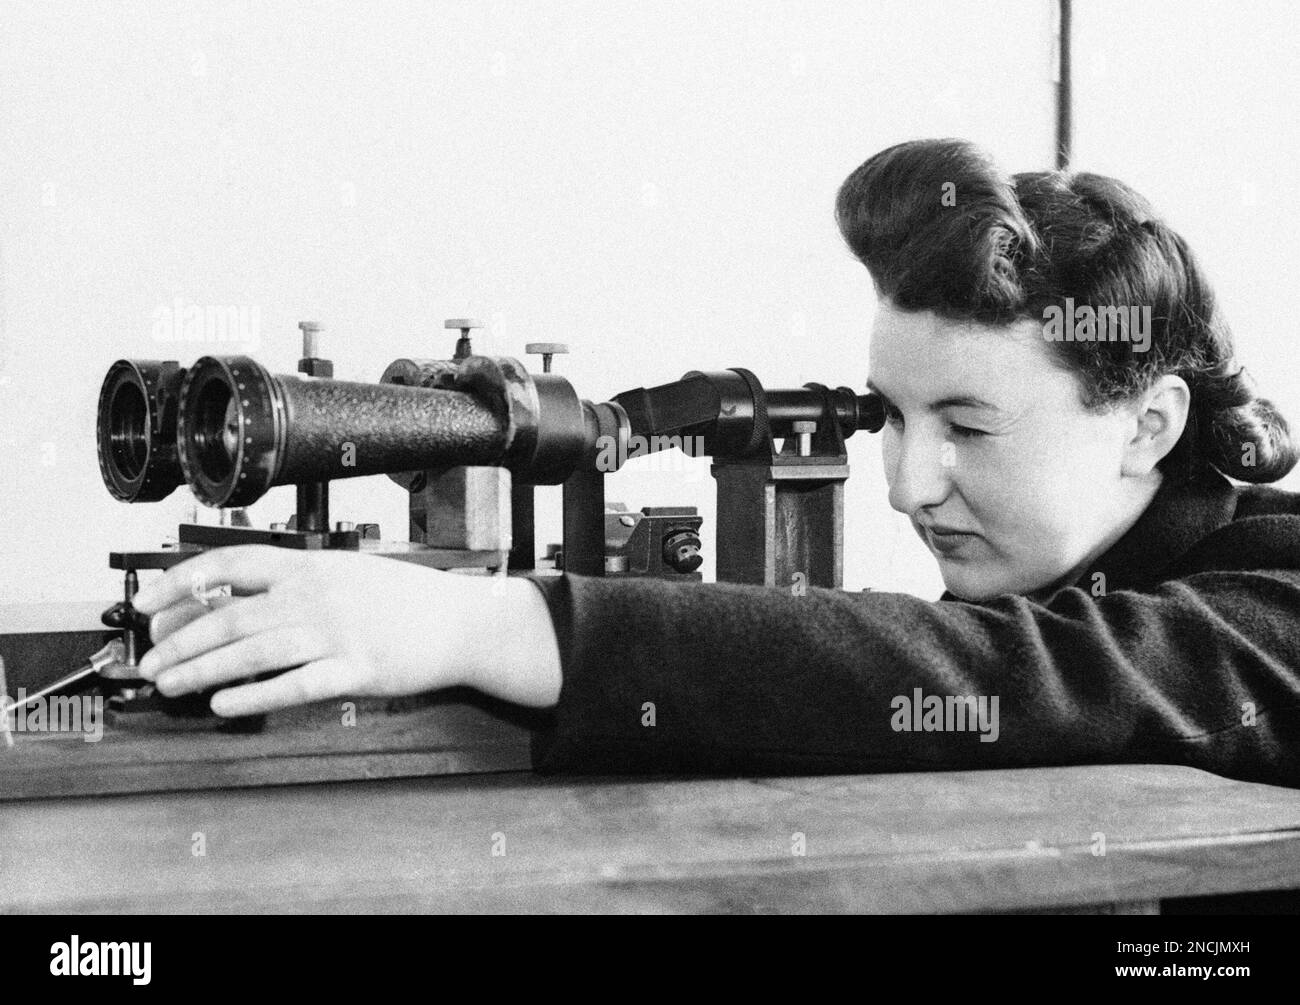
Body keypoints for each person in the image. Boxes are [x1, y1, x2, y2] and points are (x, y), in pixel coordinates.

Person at [131, 138, 1300, 787]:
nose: (905, 484)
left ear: (1146, 422)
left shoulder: (1277, 592)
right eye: (888, 417)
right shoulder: (1072, 563)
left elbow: (1020, 677)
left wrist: (466, 626)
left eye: (969, 426)